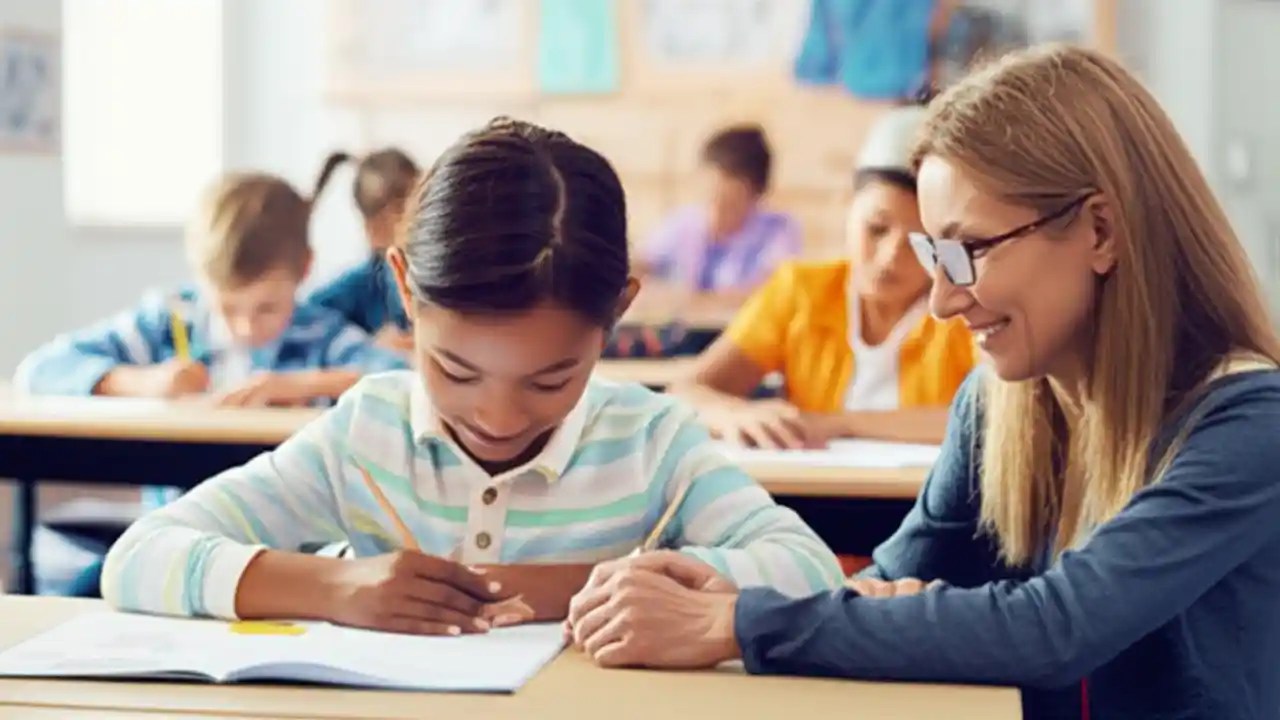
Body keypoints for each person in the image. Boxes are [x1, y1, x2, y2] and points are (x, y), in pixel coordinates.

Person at [563, 45, 1280, 720]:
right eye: (935, 255)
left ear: (1100, 232)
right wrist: (737, 591)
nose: (940, 300)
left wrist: (735, 621)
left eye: (970, 250)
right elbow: (886, 580)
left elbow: (1054, 629)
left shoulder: (1248, 421)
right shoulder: (997, 406)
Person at [100, 118, 843, 632]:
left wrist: (582, 586)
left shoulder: (652, 442)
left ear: (617, 312)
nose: (497, 417)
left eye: (550, 380)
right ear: (405, 288)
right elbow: (137, 558)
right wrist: (337, 586)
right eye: (455, 370)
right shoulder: (367, 435)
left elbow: (810, 568)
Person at [15, 167, 406, 596]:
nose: (245, 327)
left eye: (266, 308)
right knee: (86, 591)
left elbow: (403, 378)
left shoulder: (320, 333)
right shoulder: (172, 322)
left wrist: (301, 385)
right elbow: (42, 367)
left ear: (304, 270)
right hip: (176, 548)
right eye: (228, 307)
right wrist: (145, 382)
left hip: (287, 559)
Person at [670, 106, 973, 447]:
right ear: (845, 206)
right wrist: (731, 413)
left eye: (920, 242)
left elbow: (985, 415)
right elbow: (685, 392)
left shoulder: (965, 309)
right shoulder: (800, 291)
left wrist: (839, 423)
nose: (890, 256)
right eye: (876, 229)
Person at [634, 125, 801, 315]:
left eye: (730, 204)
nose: (717, 215)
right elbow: (641, 264)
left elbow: (773, 293)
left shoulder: (778, 231)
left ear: (756, 195)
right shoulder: (685, 222)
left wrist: (695, 301)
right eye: (711, 200)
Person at [306, 148, 420, 351]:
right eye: (399, 214)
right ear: (373, 231)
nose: (414, 222)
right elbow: (301, 325)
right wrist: (368, 345)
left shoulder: (447, 267)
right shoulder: (361, 286)